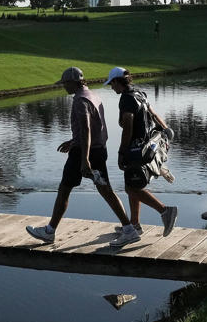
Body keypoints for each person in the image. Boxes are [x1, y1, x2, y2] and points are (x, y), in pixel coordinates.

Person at [26, 67, 141, 247]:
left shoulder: (80, 100)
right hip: (98, 149)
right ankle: (129, 229)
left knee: (65, 188)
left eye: (65, 83)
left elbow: (87, 130)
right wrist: (73, 141)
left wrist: (84, 158)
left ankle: (49, 232)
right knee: (106, 190)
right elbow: (94, 128)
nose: (64, 86)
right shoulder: (92, 95)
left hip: (84, 152)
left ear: (73, 82)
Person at [104, 67, 178, 237]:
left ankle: (165, 211)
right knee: (133, 183)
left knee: (131, 188)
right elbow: (153, 114)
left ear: (117, 81)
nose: (111, 87)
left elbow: (128, 126)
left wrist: (122, 152)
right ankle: (135, 224)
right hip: (146, 146)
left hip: (135, 148)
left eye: (111, 84)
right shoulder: (139, 93)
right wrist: (166, 129)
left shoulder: (126, 98)